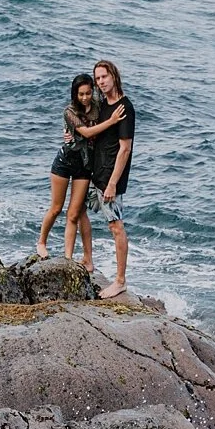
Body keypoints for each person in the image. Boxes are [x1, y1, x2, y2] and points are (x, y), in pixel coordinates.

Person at [36, 74, 125, 266]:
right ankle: (42, 241)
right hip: (64, 162)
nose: (84, 97)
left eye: (87, 93)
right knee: (56, 207)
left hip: (84, 166)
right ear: (75, 94)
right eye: (80, 94)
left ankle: (68, 259)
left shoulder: (97, 106)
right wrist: (112, 121)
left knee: (74, 213)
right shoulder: (69, 111)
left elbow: (110, 96)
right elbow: (86, 132)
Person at [88, 59, 135, 299]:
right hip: (96, 174)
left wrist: (113, 183)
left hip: (110, 178)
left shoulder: (124, 108)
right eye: (97, 78)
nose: (101, 82)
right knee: (77, 211)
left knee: (116, 227)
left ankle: (120, 281)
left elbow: (125, 149)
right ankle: (87, 261)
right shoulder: (103, 105)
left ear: (114, 76)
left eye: (104, 76)